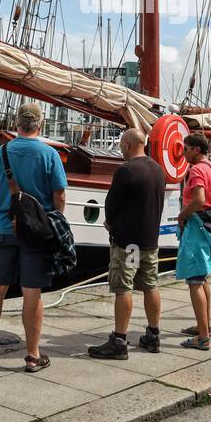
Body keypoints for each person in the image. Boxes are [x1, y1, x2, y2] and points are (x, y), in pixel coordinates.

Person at [0, 102, 68, 374]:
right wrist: (51, 220)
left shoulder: (2, 152)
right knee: (31, 291)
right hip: (36, 234)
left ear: (17, 124)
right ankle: (32, 355)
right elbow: (59, 195)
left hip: (4, 229)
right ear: (40, 125)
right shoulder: (49, 154)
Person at [89, 128, 166, 360]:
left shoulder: (126, 171)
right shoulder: (157, 170)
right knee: (151, 285)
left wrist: (110, 223)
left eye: (122, 144)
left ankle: (119, 341)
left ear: (130, 144)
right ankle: (153, 335)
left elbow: (111, 203)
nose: (121, 148)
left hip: (128, 242)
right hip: (150, 241)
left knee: (124, 287)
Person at [175, 133, 211, 350]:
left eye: (186, 149)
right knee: (203, 277)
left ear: (196, 150)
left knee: (195, 280)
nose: (183, 153)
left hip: (197, 228)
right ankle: (203, 325)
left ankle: (203, 337)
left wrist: (183, 215)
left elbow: (199, 200)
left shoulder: (197, 170)